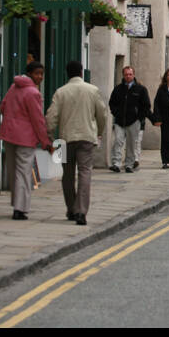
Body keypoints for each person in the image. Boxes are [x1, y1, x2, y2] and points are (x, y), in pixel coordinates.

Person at [45, 60, 108, 226]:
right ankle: (81, 211)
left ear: (67, 73)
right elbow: (102, 115)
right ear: (81, 72)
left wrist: (50, 137)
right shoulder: (92, 90)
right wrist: (99, 132)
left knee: (67, 174)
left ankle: (71, 209)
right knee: (85, 173)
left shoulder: (60, 92)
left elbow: (51, 117)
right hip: (87, 137)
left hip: (65, 139)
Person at [0, 67, 52, 220]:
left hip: (9, 134)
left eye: (42, 74)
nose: (40, 77)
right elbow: (38, 120)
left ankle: (16, 203)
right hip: (25, 138)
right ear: (29, 74)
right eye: (37, 73)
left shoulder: (13, 87)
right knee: (23, 172)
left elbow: (2, 107)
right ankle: (20, 208)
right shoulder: (34, 93)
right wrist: (45, 141)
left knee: (13, 171)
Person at [108, 66, 150, 173]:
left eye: (130, 74)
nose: (128, 76)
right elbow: (112, 103)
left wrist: (139, 117)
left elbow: (146, 105)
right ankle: (116, 163)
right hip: (120, 120)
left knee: (132, 144)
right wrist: (116, 113)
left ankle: (129, 164)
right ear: (123, 75)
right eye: (126, 74)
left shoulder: (141, 89)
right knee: (118, 141)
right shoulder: (118, 89)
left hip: (134, 121)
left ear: (133, 75)